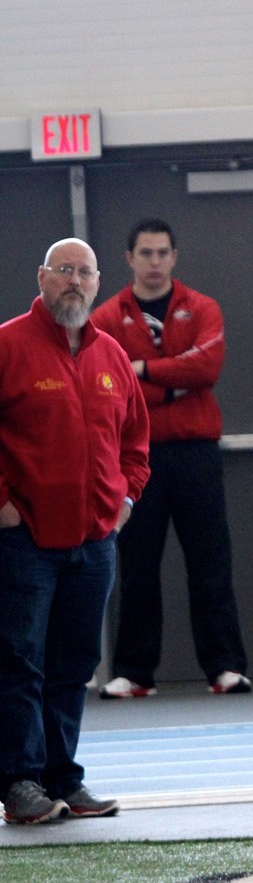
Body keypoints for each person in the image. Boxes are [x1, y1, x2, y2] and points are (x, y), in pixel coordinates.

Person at [1, 238, 149, 824]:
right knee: (19, 661)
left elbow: (136, 441)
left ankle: (64, 777)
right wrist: (3, 506)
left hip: (94, 544)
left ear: (97, 283)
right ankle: (19, 781)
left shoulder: (111, 355)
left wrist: (127, 498)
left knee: (73, 664)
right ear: (42, 277)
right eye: (64, 271)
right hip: (25, 540)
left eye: (84, 273)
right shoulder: (9, 345)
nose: (75, 282)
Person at [91, 219, 251, 698]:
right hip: (138, 460)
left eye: (163, 253)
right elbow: (109, 384)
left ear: (174, 257)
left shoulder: (202, 307)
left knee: (210, 562)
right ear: (130, 258)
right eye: (146, 253)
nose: (155, 262)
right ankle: (135, 672)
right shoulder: (105, 317)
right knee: (137, 564)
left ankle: (225, 666)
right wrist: (174, 386)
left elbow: (208, 367)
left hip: (196, 454)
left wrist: (142, 370)